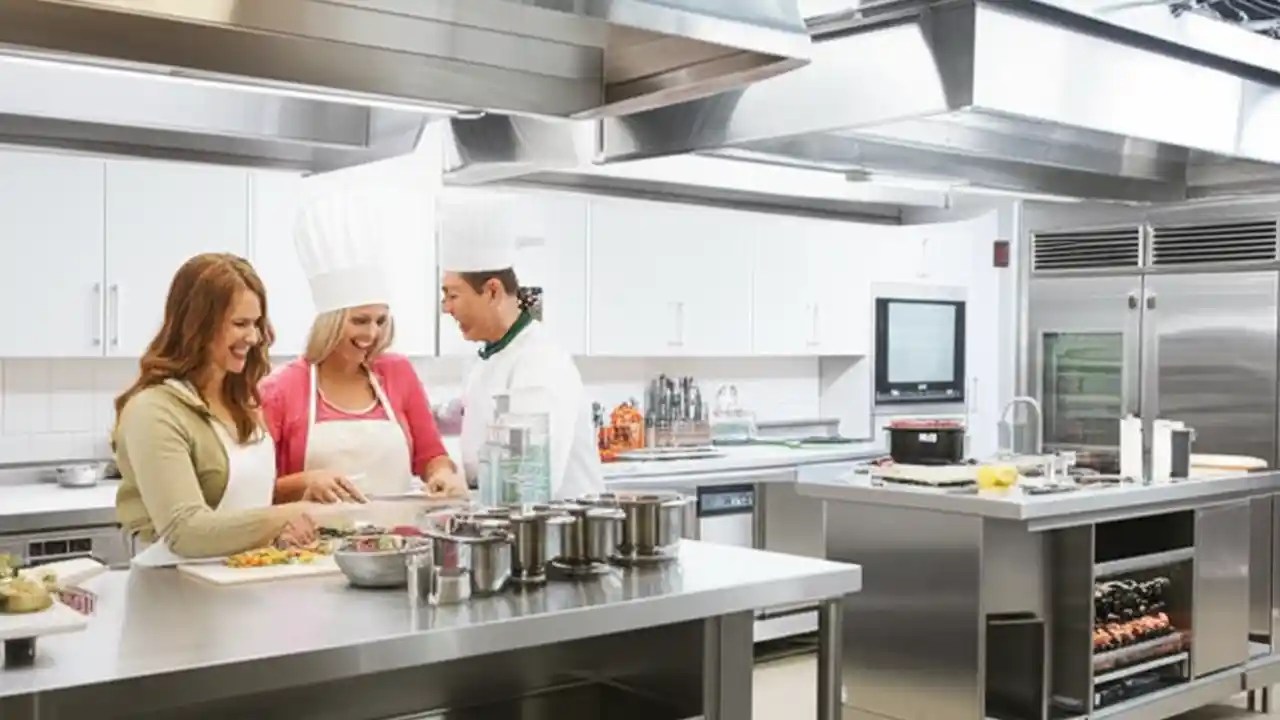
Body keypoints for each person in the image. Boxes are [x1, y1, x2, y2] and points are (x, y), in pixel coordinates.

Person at [114, 253, 320, 566]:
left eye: (256, 324)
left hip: (243, 580)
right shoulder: (153, 410)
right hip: (175, 586)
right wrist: (285, 516)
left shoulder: (243, 403)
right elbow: (186, 531)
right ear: (197, 325)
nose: (253, 337)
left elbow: (246, 513)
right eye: (240, 324)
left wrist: (283, 535)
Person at [263, 193, 465, 502]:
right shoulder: (282, 389)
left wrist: (441, 474)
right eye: (359, 321)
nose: (372, 334)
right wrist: (306, 482)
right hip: (313, 533)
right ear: (330, 322)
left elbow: (431, 455)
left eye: (381, 321)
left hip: (399, 530)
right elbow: (257, 490)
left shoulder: (397, 373)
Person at [439, 197, 604, 500]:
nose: (445, 308)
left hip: (560, 528)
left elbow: (527, 484)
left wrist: (463, 496)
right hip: (510, 523)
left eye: (453, 295)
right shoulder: (489, 359)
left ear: (492, 291)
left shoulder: (540, 362)